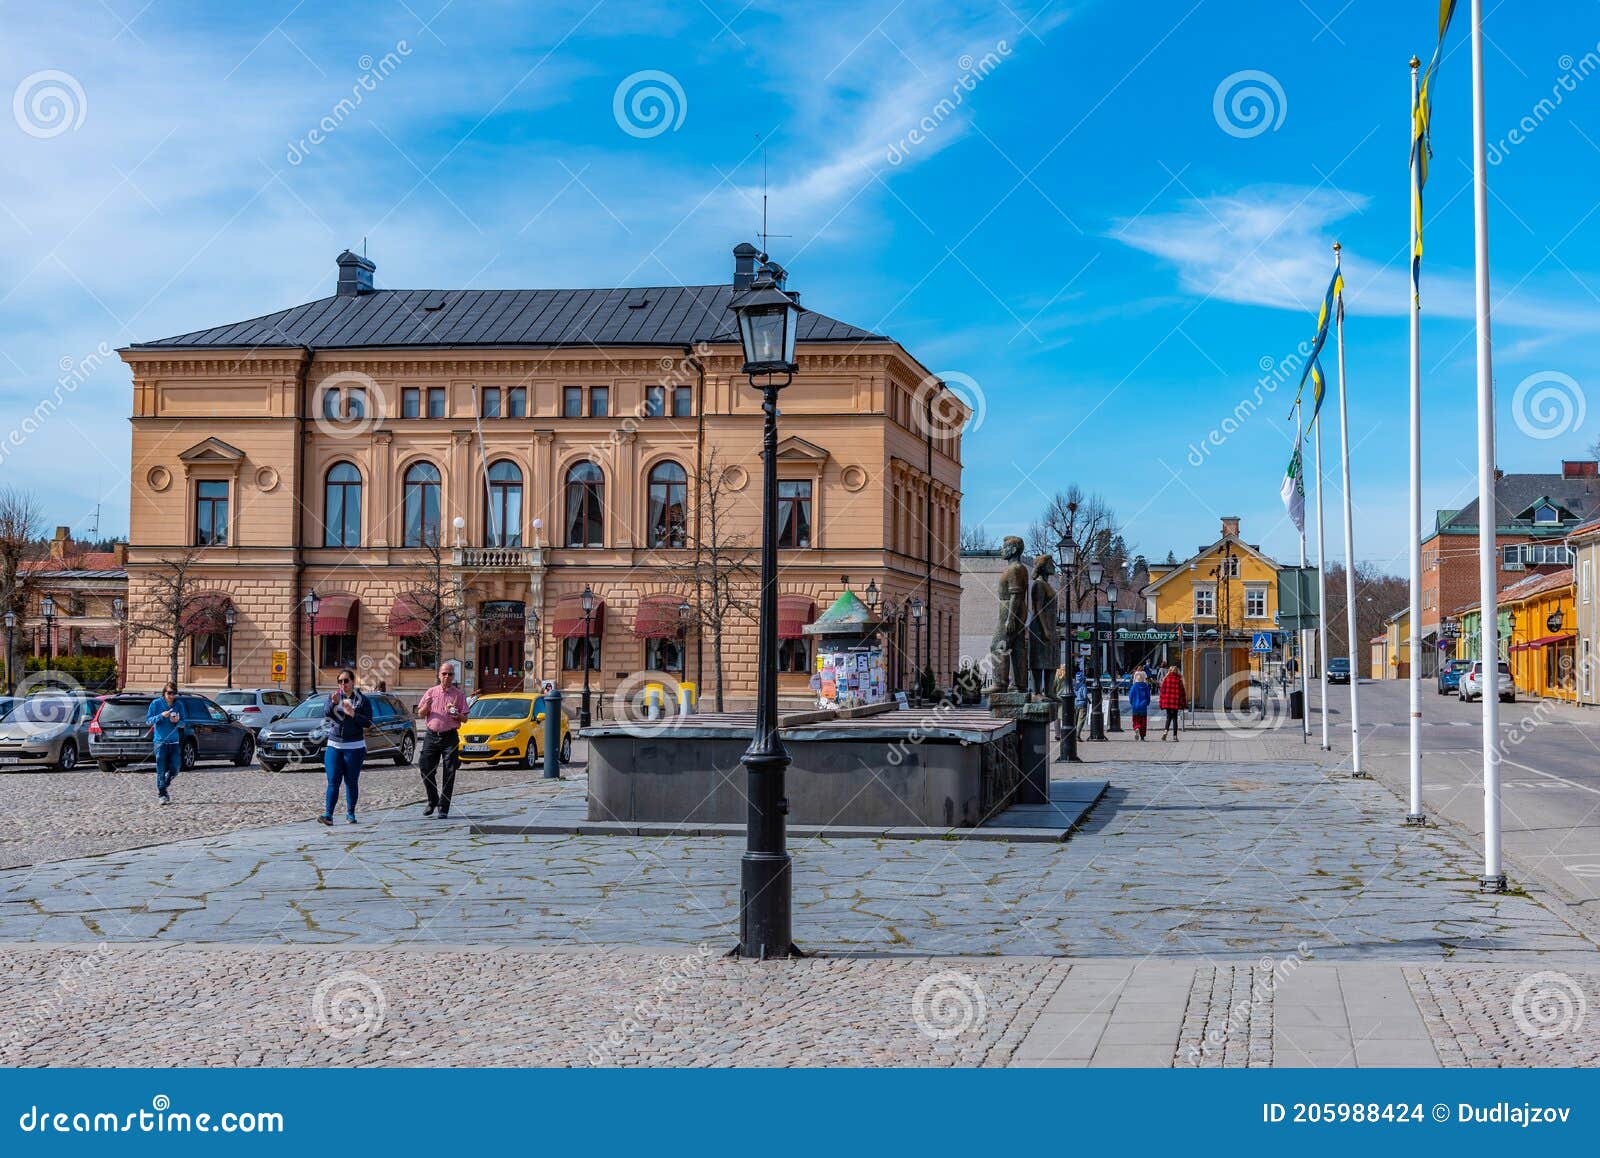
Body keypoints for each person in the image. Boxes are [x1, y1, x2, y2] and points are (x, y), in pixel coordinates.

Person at [414, 661, 467, 818]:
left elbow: (465, 719)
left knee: (450, 771)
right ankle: (432, 799)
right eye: (444, 673)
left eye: (450, 674)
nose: (447, 677)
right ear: (439, 675)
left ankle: (443, 808)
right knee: (424, 767)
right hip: (432, 735)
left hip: (450, 736)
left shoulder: (458, 695)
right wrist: (426, 706)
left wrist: (456, 714)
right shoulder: (431, 692)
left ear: (453, 676)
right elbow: (420, 714)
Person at [320, 669, 372, 825]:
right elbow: (327, 714)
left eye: (346, 681)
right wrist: (333, 703)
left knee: (351, 781)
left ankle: (350, 813)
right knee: (333, 780)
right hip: (334, 744)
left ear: (352, 682)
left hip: (354, 746)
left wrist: (354, 714)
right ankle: (328, 815)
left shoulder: (362, 700)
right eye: (340, 681)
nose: (343, 684)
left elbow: (368, 722)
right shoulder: (334, 697)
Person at [145, 682, 184, 805]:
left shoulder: (179, 705)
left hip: (174, 741)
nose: (171, 696)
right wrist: (161, 716)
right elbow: (148, 721)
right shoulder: (156, 704)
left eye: (174, 693)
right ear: (164, 692)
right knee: (160, 768)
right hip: (160, 742)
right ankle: (162, 793)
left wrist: (177, 721)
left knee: (175, 768)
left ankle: (164, 784)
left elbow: (184, 722)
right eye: (169, 693)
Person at [1158, 665, 1187, 741]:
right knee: (1175, 718)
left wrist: (1161, 702)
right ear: (1177, 671)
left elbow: (1162, 692)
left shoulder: (1166, 679)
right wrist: (1183, 704)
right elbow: (1182, 693)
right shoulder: (1179, 680)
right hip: (1175, 702)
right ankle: (1175, 736)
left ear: (1169, 671)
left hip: (1167, 702)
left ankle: (1165, 731)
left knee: (1168, 717)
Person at [1128, 669, 1151, 740]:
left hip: (1135, 706)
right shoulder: (1146, 686)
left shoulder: (1134, 687)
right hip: (1143, 706)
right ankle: (1142, 736)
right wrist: (1147, 702)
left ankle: (1137, 728)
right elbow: (1148, 696)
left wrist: (1132, 703)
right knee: (1143, 721)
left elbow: (1130, 696)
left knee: (1135, 720)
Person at [1073, 667, 1088, 734]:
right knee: (1081, 720)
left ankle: (1073, 733)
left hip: (1075, 703)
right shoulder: (1083, 686)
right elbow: (1084, 696)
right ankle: (1077, 734)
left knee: (1075, 720)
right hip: (1082, 704)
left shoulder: (1074, 685)